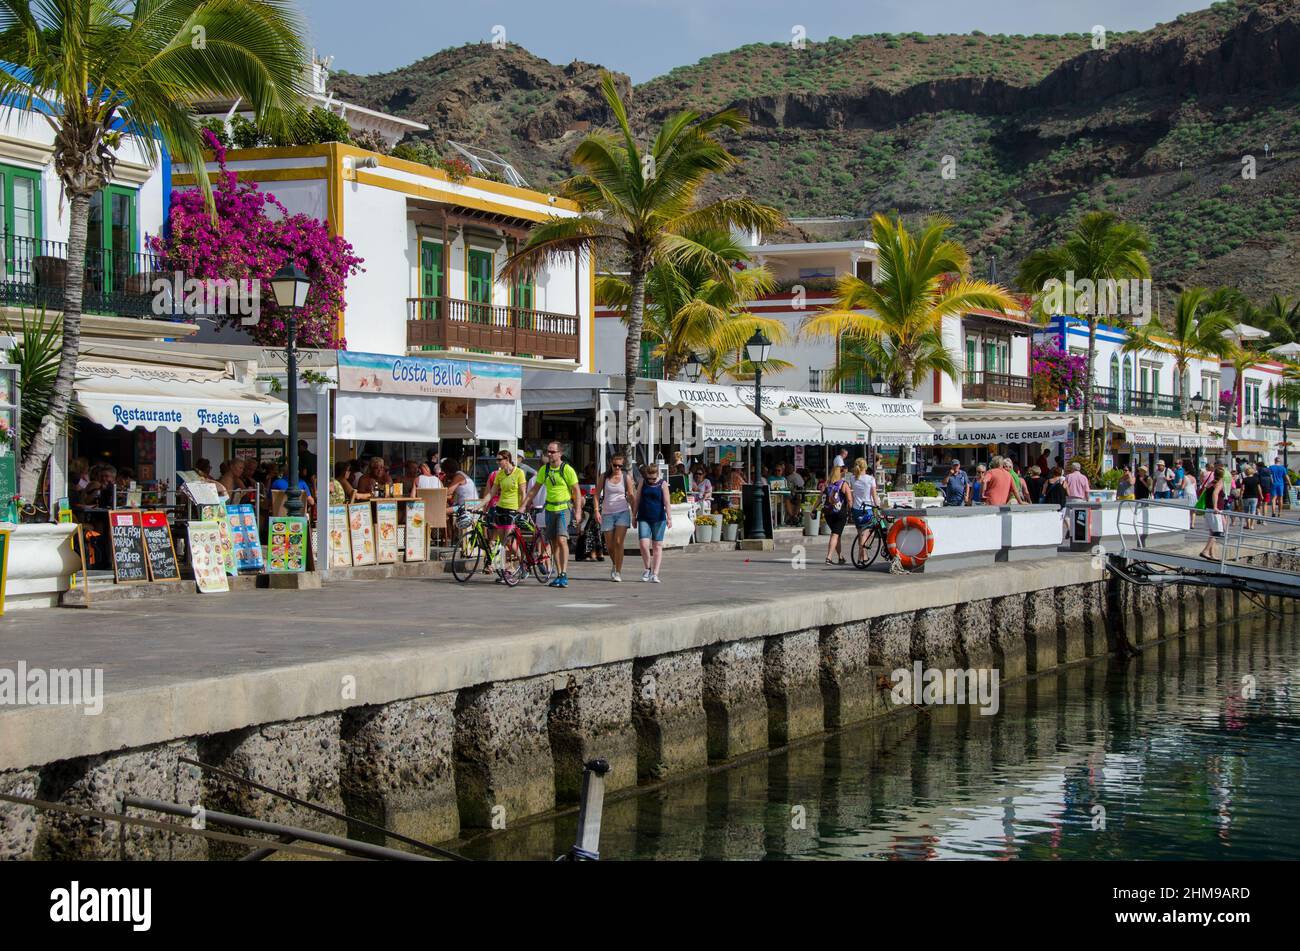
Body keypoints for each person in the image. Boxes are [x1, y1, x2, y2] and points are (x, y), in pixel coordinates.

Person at [526, 441, 581, 588]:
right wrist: (523, 505)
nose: (549, 454)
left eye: (552, 452)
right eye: (548, 451)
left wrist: (578, 512)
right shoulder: (545, 470)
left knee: (562, 540)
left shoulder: (567, 469)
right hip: (549, 509)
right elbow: (534, 489)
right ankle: (559, 574)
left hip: (563, 508)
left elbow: (576, 490)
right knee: (554, 543)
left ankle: (564, 574)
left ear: (560, 453)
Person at [598, 454, 636, 582]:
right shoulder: (604, 477)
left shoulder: (626, 478)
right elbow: (596, 495)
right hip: (607, 513)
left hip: (622, 511)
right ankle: (615, 564)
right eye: (615, 465)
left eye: (620, 466)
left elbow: (631, 495)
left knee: (618, 542)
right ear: (611, 463)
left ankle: (618, 571)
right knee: (609, 545)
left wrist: (634, 513)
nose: (618, 468)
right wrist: (596, 511)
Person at [633, 462, 672, 583]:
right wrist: (633, 515)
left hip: (659, 518)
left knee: (657, 546)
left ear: (658, 474)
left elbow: (667, 502)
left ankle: (655, 573)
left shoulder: (663, 484)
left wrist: (669, 517)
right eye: (648, 478)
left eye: (653, 478)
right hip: (644, 517)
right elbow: (637, 498)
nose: (651, 480)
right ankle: (647, 568)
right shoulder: (642, 482)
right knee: (644, 544)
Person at [821, 464, 852, 564]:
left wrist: (814, 509)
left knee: (837, 534)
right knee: (835, 534)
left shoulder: (827, 484)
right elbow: (850, 500)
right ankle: (829, 557)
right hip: (840, 513)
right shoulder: (844, 484)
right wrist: (851, 510)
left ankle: (840, 557)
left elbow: (820, 498)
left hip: (828, 513)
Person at [1199, 465, 1229, 561]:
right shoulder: (1219, 483)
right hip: (1214, 510)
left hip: (1208, 509)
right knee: (1217, 532)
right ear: (1222, 475)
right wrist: (1215, 506)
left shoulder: (1211, 483)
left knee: (1212, 532)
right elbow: (1215, 494)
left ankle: (1212, 554)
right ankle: (1205, 551)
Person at [1242, 463, 1264, 528]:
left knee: (1246, 511)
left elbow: (1242, 488)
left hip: (1246, 497)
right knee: (1253, 511)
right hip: (1254, 497)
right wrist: (1261, 495)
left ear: (1246, 473)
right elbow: (1259, 488)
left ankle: (1248, 525)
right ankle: (1252, 525)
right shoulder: (1256, 479)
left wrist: (1240, 495)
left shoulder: (1244, 479)